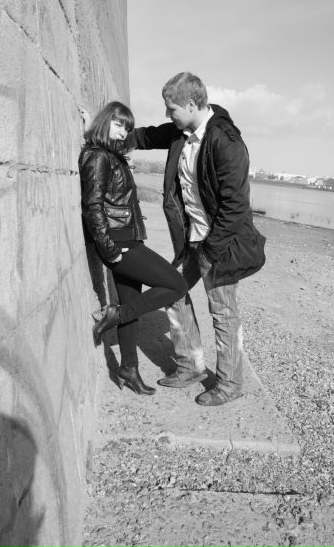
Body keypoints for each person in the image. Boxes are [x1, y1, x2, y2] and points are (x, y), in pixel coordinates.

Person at [124, 72, 266, 406]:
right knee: (170, 290)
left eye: (171, 108)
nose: (167, 113)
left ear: (191, 103)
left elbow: (235, 207)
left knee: (223, 313)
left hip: (221, 245)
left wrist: (210, 251)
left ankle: (230, 384)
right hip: (192, 240)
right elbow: (145, 136)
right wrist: (111, 136)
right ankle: (191, 366)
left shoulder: (225, 142)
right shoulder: (181, 131)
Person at [79, 101, 188, 396]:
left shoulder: (109, 154)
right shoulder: (98, 156)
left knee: (131, 305)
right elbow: (92, 206)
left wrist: (90, 131)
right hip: (119, 243)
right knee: (176, 284)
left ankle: (129, 368)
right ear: (105, 122)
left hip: (126, 238)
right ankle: (114, 315)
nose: (122, 131)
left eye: (126, 127)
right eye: (117, 124)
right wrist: (108, 248)